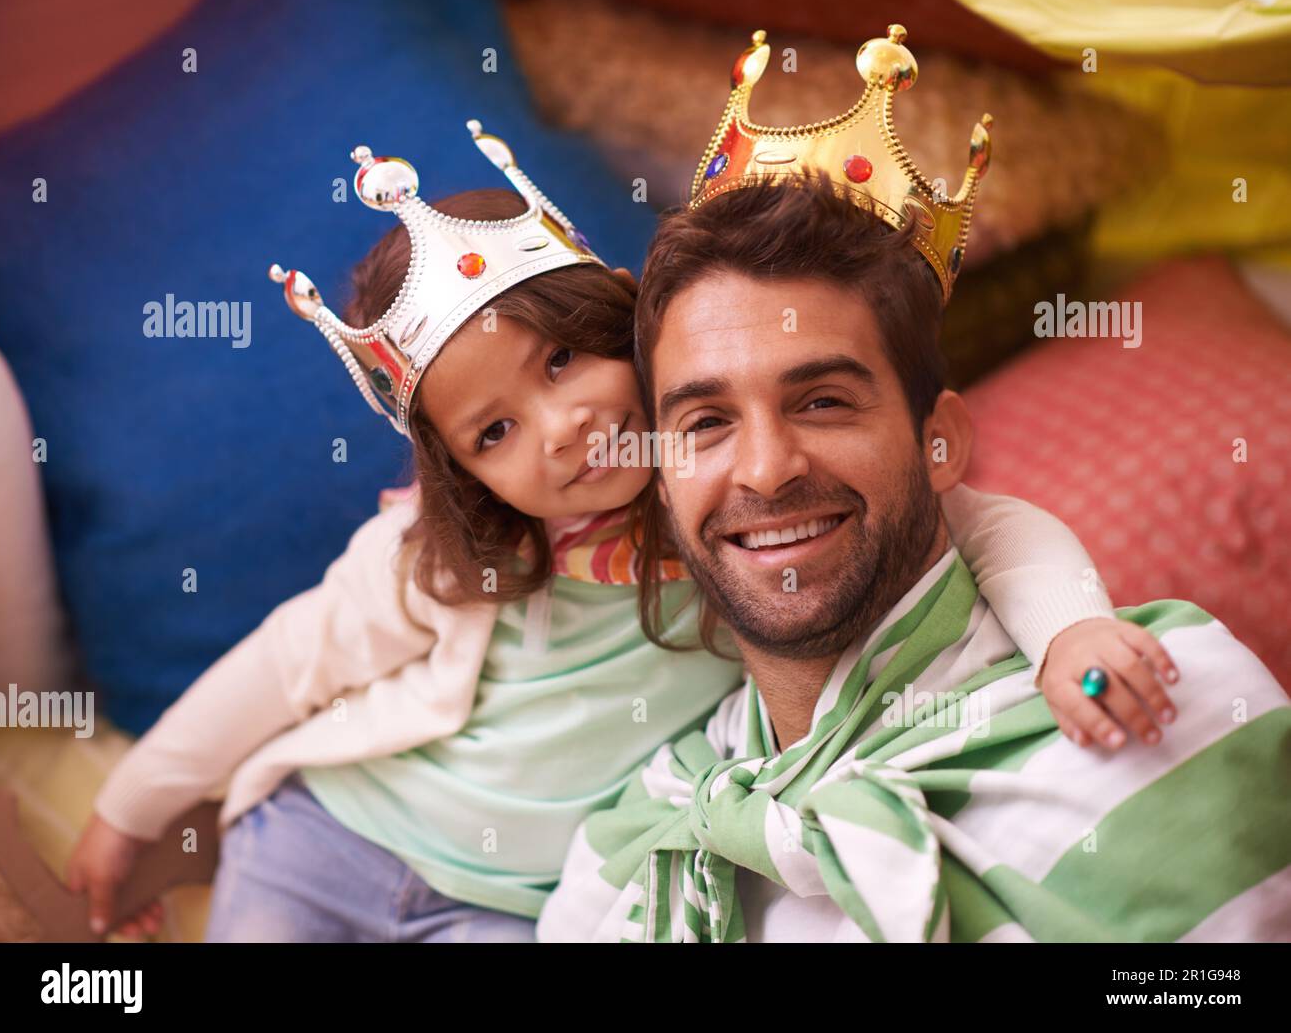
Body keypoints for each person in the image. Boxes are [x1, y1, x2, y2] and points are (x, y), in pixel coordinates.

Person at [68, 123, 1162, 943]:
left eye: (564, 361)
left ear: (626, 325)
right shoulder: (447, 563)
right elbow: (281, 667)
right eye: (497, 429)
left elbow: (985, 529)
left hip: (509, 908)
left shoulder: (740, 503)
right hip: (330, 839)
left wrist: (1071, 631)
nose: (561, 428)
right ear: (465, 472)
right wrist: (131, 814)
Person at [536, 171, 1291, 944]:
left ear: (942, 444)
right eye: (705, 423)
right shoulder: (637, 840)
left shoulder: (1160, 708)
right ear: (662, 487)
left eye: (822, 400)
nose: (765, 469)